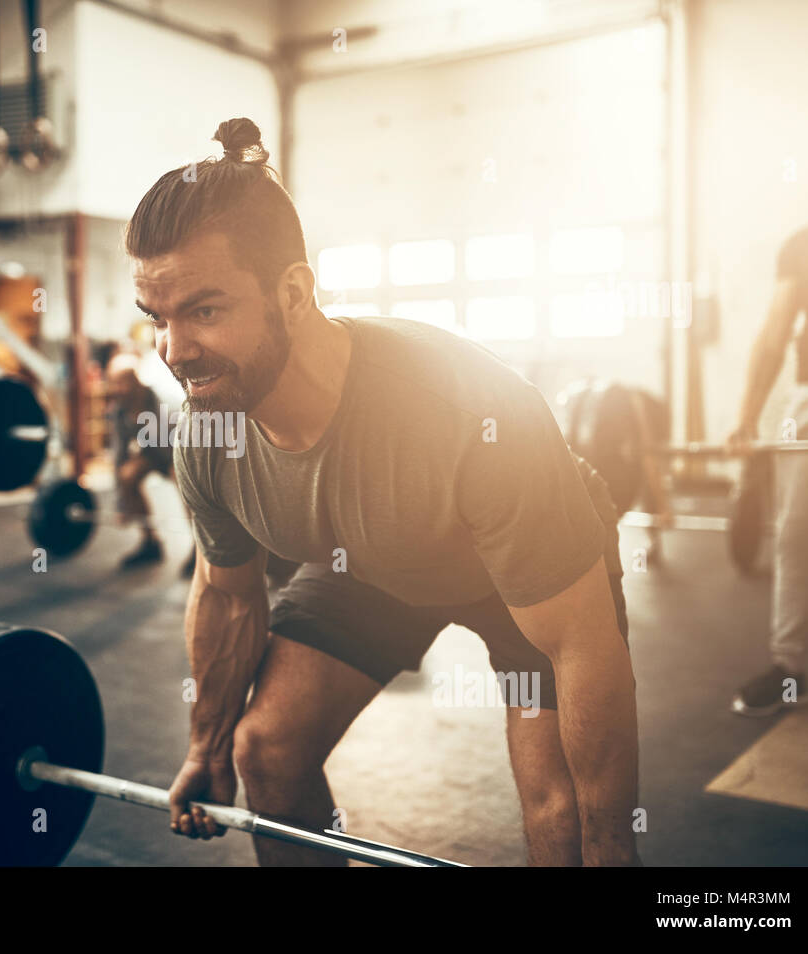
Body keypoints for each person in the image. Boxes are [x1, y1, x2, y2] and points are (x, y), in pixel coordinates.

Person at [128, 118, 639, 866]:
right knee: (263, 751)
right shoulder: (209, 431)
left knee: (560, 824)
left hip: (519, 584)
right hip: (370, 565)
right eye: (156, 319)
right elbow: (232, 596)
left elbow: (578, 641)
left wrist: (612, 843)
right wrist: (204, 747)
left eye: (204, 311)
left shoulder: (465, 410)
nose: (176, 352)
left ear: (294, 293)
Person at [727, 174, 808, 717]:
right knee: (798, 539)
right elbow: (775, 333)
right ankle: (788, 666)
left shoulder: (804, 243)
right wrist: (746, 418)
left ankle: (788, 664)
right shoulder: (805, 244)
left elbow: (774, 334)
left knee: (798, 539)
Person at [105, 351, 196, 576]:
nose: (117, 390)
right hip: (154, 453)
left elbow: (185, 448)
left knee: (182, 480)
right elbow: (119, 457)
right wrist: (122, 504)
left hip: (183, 452)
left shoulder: (167, 405)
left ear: (136, 381)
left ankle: (200, 549)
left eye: (122, 383)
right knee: (127, 475)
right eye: (113, 384)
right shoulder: (119, 411)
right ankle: (150, 543)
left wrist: (177, 471)